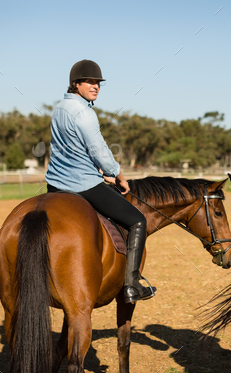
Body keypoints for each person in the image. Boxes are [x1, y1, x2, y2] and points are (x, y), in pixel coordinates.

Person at [45, 59, 156, 303]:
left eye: (98, 83)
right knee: (137, 220)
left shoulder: (59, 108)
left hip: (54, 185)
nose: (95, 86)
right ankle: (131, 286)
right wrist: (116, 173)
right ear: (76, 84)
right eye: (89, 82)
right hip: (82, 187)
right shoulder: (84, 112)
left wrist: (99, 171)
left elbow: (70, 149)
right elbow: (98, 149)